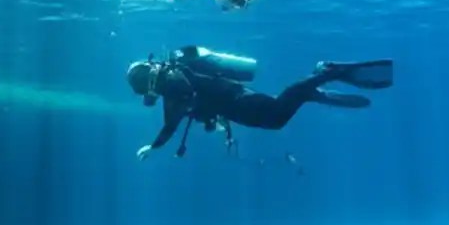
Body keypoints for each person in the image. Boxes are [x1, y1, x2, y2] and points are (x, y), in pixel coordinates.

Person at [125, 46, 392, 159]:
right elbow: (187, 105)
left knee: (276, 115)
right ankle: (308, 92)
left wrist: (153, 146)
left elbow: (172, 120)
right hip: (238, 100)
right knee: (276, 118)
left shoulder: (171, 83)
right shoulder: (174, 75)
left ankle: (325, 73)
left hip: (239, 101)